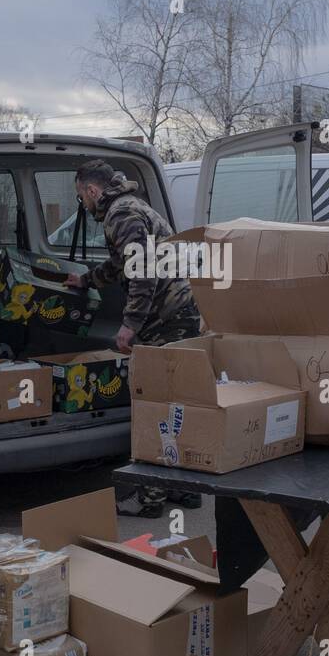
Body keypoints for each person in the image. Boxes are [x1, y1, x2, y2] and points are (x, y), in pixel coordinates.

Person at [66, 160, 203, 517]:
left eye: (81, 196)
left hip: (165, 319)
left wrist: (129, 324)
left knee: (152, 405)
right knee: (175, 405)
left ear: (92, 191)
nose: (83, 203)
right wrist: (87, 280)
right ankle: (186, 490)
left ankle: (152, 497)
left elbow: (142, 272)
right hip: (181, 314)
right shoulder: (131, 208)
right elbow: (123, 263)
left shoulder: (121, 215)